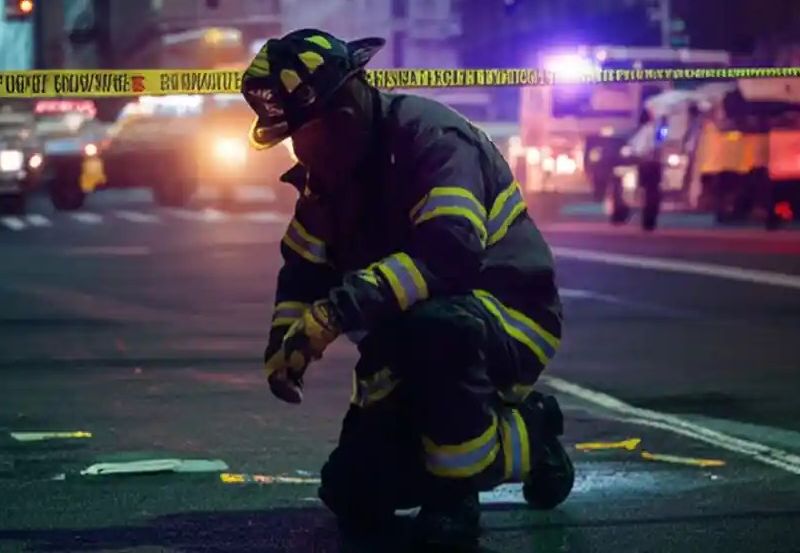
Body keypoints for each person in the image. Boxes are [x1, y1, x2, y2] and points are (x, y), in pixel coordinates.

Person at [242, 29, 574, 551]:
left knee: (439, 329)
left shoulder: (431, 137)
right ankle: (529, 438)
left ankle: (454, 498)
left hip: (503, 319)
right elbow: (304, 266)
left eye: (299, 133)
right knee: (354, 494)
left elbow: (449, 255)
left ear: (342, 114)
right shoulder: (331, 171)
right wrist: (284, 342)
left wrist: (332, 316)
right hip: (407, 338)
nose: (295, 148)